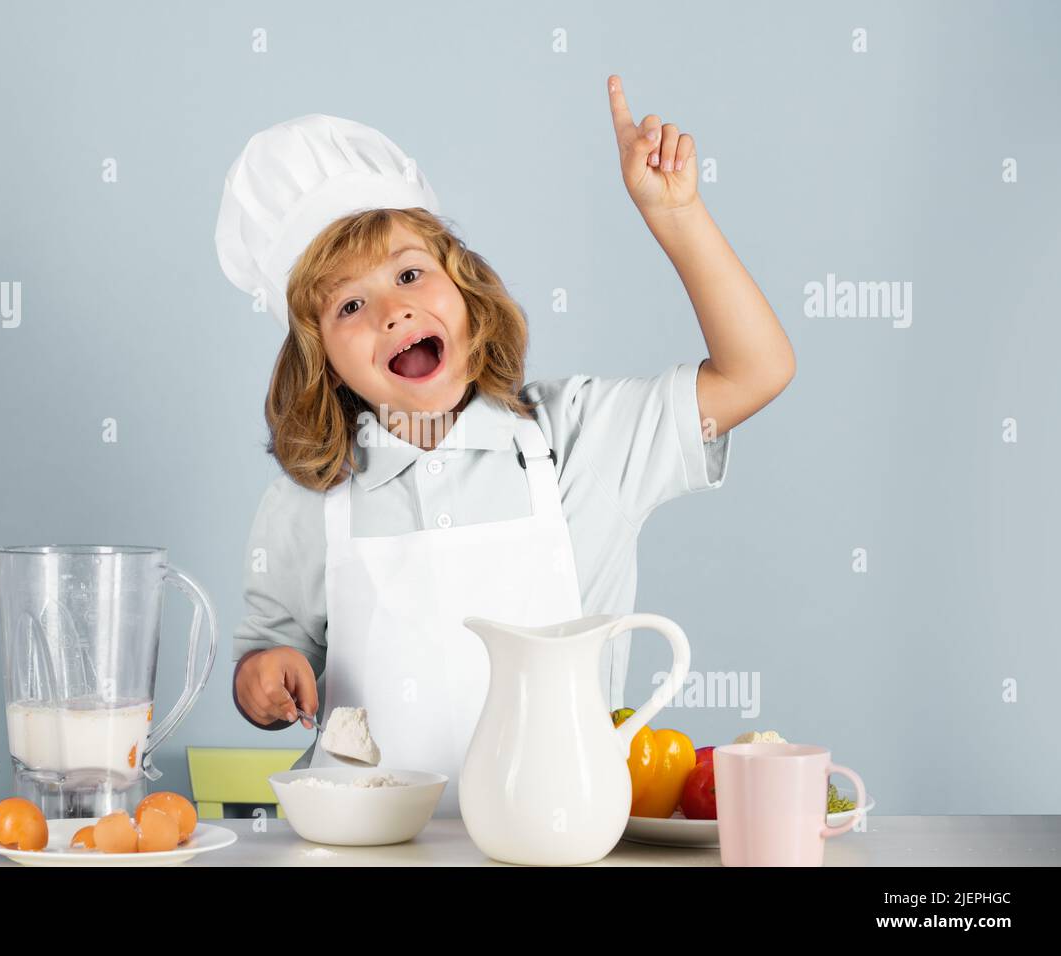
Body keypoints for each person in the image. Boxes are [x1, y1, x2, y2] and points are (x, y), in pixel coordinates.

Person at [214, 77, 795, 816]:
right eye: (350, 305)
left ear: (467, 289)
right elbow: (266, 655)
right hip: (369, 848)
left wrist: (677, 216)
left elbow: (759, 370)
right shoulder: (310, 494)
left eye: (411, 273)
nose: (394, 310)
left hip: (558, 839)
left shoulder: (580, 439)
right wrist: (264, 678)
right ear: (320, 356)